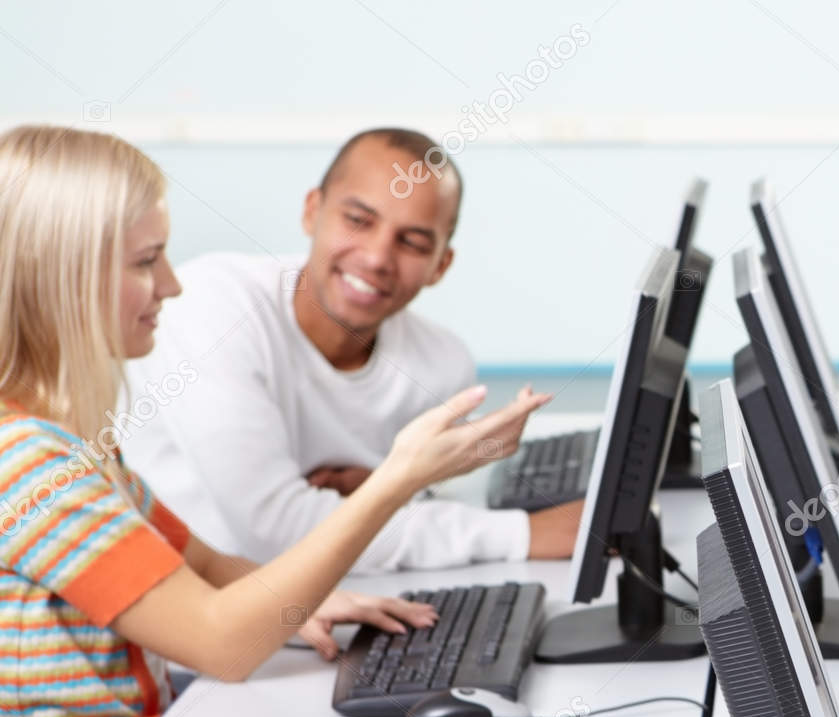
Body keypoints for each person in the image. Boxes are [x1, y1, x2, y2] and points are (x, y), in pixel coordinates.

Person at [0, 126, 545, 717]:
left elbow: (200, 559)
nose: (172, 285)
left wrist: (308, 602)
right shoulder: (28, 463)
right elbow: (225, 645)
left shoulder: (66, 436)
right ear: (63, 274)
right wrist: (394, 481)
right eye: (146, 261)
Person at [120, 128, 579, 572]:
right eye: (358, 221)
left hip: (309, 607)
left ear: (441, 265)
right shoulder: (212, 304)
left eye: (413, 243)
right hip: (184, 618)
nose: (378, 257)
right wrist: (519, 533)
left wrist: (383, 487)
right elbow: (275, 532)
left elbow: (362, 527)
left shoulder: (441, 364)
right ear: (311, 211)